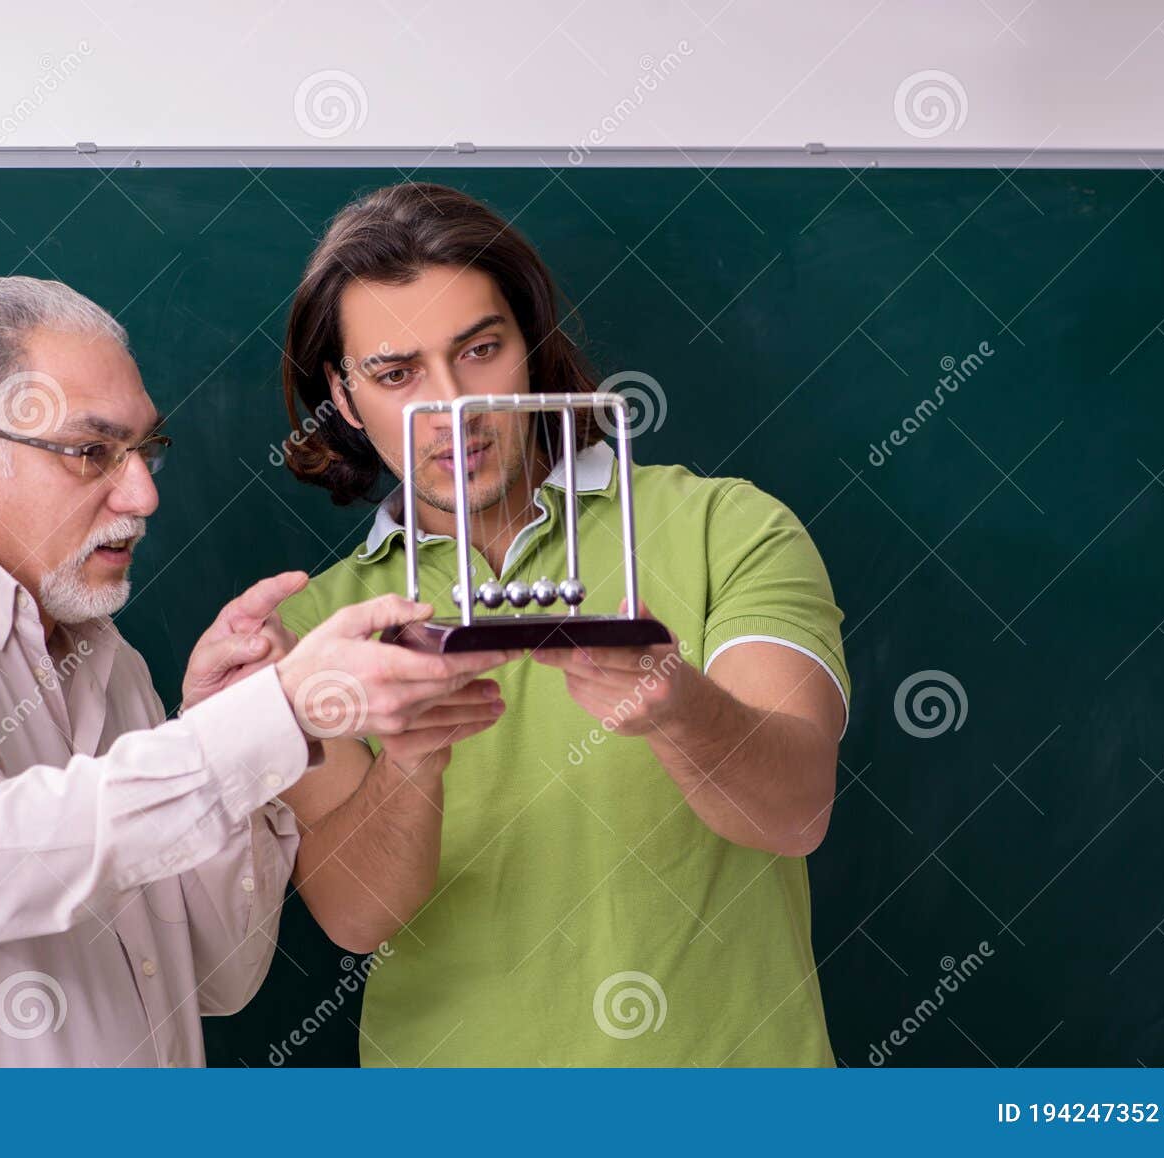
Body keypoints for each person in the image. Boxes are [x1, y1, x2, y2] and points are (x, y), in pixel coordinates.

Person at [0, 275, 509, 1066]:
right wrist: (269, 715)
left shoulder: (114, 665)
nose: (140, 494)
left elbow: (219, 975)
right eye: (91, 452)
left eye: (145, 451)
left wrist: (217, 722)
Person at [270, 184, 850, 1065]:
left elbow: (796, 811)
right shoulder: (313, 628)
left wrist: (677, 709)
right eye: (397, 374)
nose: (455, 404)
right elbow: (356, 918)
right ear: (344, 400)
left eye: (481, 350)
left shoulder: (727, 526)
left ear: (530, 349)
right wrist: (416, 763)